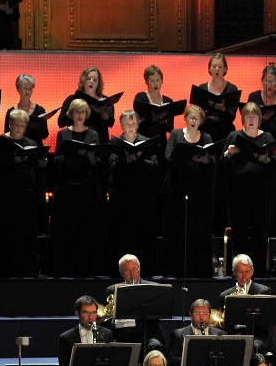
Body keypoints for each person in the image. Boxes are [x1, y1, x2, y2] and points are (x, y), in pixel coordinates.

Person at [51, 98, 102, 277]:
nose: (79, 115)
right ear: (71, 114)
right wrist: (69, 154)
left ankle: (86, 268)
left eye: (82, 112)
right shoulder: (63, 134)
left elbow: (97, 164)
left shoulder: (93, 134)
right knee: (67, 230)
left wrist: (90, 156)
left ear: (86, 115)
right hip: (67, 188)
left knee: (85, 230)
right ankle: (66, 268)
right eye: (76, 112)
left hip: (86, 188)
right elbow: (57, 159)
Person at [0, 107, 44, 278]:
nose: (19, 128)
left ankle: (26, 267)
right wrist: (12, 160)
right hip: (6, 193)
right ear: (10, 124)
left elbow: (37, 165)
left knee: (25, 232)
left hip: (26, 193)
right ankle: (3, 267)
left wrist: (41, 162)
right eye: (16, 124)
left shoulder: (31, 143)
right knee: (5, 232)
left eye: (22, 125)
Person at [163, 103, 215, 279]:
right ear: (185, 118)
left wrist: (205, 161)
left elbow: (213, 161)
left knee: (198, 230)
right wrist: (183, 156)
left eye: (197, 118)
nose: (193, 120)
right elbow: (168, 157)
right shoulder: (176, 134)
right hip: (178, 188)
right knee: (178, 229)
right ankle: (177, 269)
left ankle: (198, 269)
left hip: (199, 190)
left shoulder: (206, 137)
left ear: (201, 121)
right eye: (191, 117)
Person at [222, 102, 276, 262]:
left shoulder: (267, 137)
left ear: (259, 120)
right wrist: (228, 154)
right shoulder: (233, 136)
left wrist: (267, 160)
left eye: (254, 116)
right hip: (238, 193)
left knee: (260, 232)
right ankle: (239, 268)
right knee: (240, 231)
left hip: (260, 193)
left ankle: (259, 268)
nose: (251, 120)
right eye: (247, 116)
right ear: (243, 119)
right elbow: (222, 165)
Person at [107, 110, 159, 273]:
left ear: (138, 125)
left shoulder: (146, 142)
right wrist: (125, 160)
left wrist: (138, 159)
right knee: (122, 234)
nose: (130, 127)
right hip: (121, 197)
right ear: (122, 126)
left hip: (142, 197)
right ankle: (120, 271)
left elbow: (155, 166)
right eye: (127, 124)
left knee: (142, 235)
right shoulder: (115, 143)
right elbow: (111, 166)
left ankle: (143, 269)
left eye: (133, 123)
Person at [103, 254, 165, 354]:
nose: (132, 274)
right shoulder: (112, 290)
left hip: (143, 333)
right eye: (127, 271)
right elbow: (108, 314)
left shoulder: (152, 288)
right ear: (121, 272)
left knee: (155, 345)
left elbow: (157, 317)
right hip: (120, 333)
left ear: (139, 269)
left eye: (135, 269)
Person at [167, 299, 224, 366]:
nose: (201, 318)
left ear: (209, 314)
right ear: (190, 314)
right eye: (197, 313)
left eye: (205, 314)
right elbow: (172, 361)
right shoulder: (178, 334)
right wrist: (194, 360)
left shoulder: (220, 334)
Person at [58, 67, 115, 143]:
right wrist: (70, 113)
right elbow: (60, 123)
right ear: (83, 81)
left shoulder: (104, 102)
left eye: (95, 80)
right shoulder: (72, 99)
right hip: (75, 140)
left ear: (98, 83)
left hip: (99, 141)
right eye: (88, 79)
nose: (91, 81)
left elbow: (110, 123)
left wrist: (102, 112)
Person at [247, 62, 276, 150]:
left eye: (273, 82)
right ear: (262, 81)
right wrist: (261, 120)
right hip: (258, 143)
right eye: (266, 81)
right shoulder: (253, 97)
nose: (269, 85)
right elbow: (248, 124)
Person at [200, 53, 239, 147]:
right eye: (214, 66)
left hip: (224, 133)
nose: (217, 69)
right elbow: (197, 114)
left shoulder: (232, 89)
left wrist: (223, 109)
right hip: (205, 132)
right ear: (209, 69)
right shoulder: (202, 88)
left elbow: (231, 117)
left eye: (220, 66)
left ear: (225, 69)